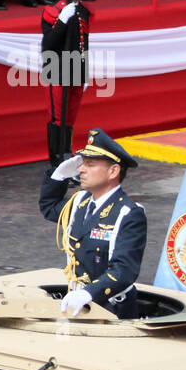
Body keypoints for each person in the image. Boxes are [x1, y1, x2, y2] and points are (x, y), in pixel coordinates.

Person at [39, 127, 146, 318]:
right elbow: (49, 207)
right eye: (82, 164)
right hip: (77, 301)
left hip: (111, 308)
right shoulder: (81, 202)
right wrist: (58, 177)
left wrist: (89, 293)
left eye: (90, 164)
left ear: (113, 171)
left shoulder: (127, 213)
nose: (81, 169)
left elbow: (123, 270)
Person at [41, 0, 90, 166]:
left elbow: (83, 43)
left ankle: (66, 158)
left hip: (76, 70)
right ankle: (57, 163)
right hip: (58, 69)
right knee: (58, 119)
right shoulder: (53, 11)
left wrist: (84, 71)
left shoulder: (83, 11)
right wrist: (62, 20)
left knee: (69, 119)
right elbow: (49, 44)